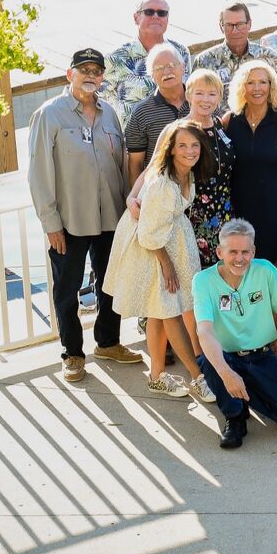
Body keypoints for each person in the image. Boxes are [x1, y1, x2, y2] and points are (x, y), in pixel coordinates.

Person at [28, 48, 138, 384]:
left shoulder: (110, 115)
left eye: (96, 70)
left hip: (110, 217)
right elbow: (38, 173)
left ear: (103, 76)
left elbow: (120, 163)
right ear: (69, 74)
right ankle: (73, 353)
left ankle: (108, 342)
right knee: (67, 287)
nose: (90, 75)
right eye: (83, 69)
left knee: (111, 283)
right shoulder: (50, 115)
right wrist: (51, 223)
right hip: (70, 220)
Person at [101, 120, 215, 401]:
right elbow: (149, 235)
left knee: (157, 311)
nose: (190, 151)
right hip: (153, 248)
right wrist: (167, 264)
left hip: (167, 240)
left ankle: (157, 376)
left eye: (194, 145)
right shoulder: (163, 184)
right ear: (171, 150)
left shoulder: (184, 173)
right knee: (170, 312)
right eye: (182, 146)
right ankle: (197, 377)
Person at [192, 219, 277, 449]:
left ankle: (245, 396)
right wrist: (226, 373)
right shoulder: (203, 281)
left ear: (253, 251)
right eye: (233, 252)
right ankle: (235, 417)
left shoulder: (265, 270)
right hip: (226, 357)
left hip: (261, 356)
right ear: (219, 252)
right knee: (209, 359)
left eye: (245, 251)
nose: (240, 258)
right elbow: (204, 331)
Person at [226, 60, 277, 264]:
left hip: (275, 211)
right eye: (251, 83)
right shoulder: (230, 121)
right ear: (242, 87)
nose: (257, 88)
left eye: (263, 82)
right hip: (239, 212)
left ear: (271, 86)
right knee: (241, 269)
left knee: (272, 273)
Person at [183, 69, 235, 268]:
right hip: (195, 216)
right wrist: (132, 197)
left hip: (225, 212)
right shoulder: (182, 129)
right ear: (189, 95)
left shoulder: (219, 125)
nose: (206, 99)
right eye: (199, 93)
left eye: (212, 94)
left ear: (220, 97)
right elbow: (155, 167)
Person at [107, 0, 189, 111]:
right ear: (136, 18)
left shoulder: (181, 51)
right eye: (149, 12)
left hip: (176, 127)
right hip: (132, 128)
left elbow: (189, 91)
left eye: (162, 13)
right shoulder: (116, 57)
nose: (155, 16)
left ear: (167, 19)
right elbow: (102, 103)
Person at [192, 0, 277, 96]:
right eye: (229, 25)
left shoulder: (269, 58)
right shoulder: (204, 62)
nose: (235, 31)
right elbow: (194, 101)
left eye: (240, 24)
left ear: (249, 24)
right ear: (221, 27)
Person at [123, 45, 190, 183]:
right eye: (159, 68)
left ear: (183, 67)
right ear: (151, 75)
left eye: (172, 65)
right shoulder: (141, 113)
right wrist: (139, 199)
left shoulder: (201, 101)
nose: (167, 71)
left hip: (205, 192)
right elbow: (135, 164)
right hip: (161, 192)